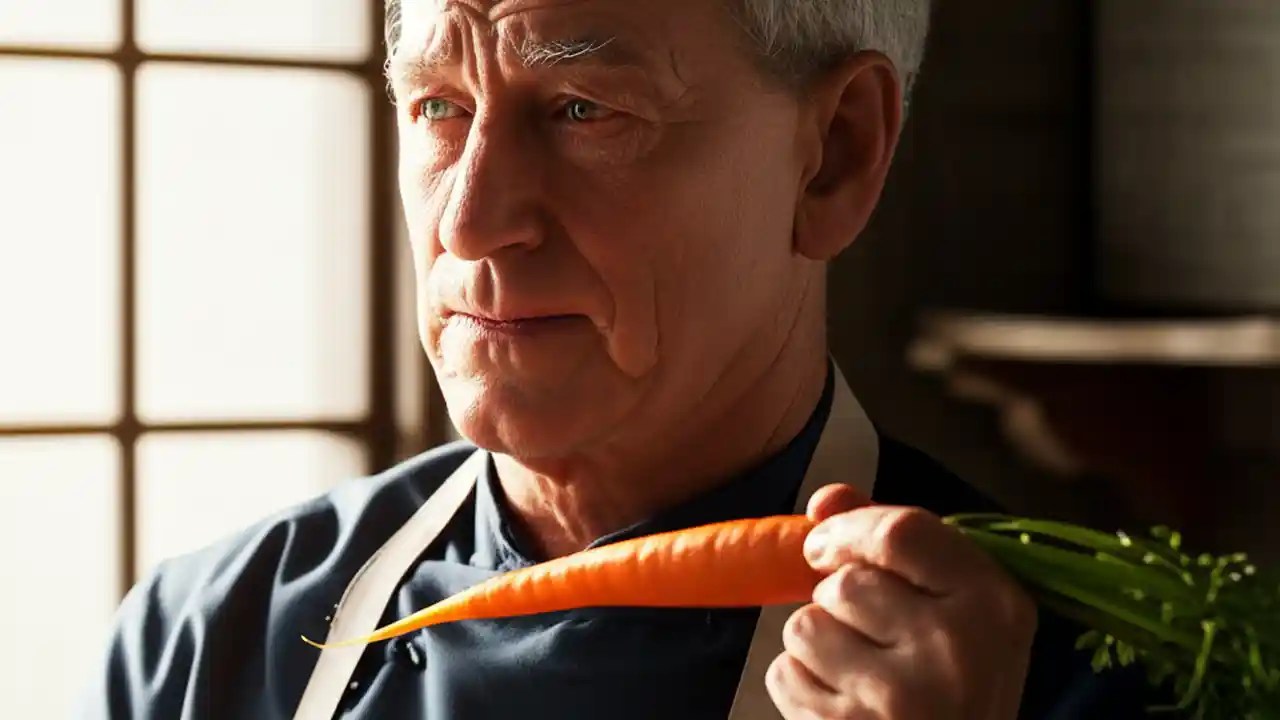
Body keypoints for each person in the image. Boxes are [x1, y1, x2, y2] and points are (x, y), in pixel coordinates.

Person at [79, 0, 1165, 718]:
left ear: (834, 156)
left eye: (580, 109)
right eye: (438, 106)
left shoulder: (1078, 682)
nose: (469, 222)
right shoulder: (207, 646)